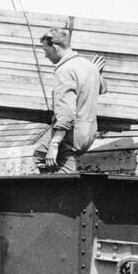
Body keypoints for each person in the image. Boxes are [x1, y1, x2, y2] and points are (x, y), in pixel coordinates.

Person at [33, 28, 107, 173]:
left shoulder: (64, 71)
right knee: (45, 155)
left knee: (43, 156)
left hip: (72, 135)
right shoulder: (89, 66)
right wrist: (95, 72)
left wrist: (54, 144)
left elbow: (66, 113)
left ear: (55, 47)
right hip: (89, 132)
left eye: (46, 50)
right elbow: (103, 89)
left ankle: (65, 189)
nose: (45, 55)